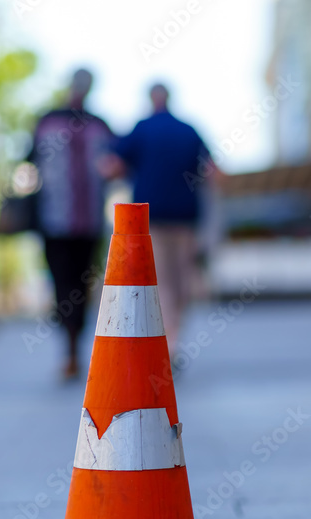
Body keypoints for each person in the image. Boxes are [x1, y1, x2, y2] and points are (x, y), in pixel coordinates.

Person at [105, 83, 220, 350]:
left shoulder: (140, 130)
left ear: (150, 98)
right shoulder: (189, 130)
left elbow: (112, 167)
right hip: (185, 218)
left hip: (150, 218)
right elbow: (212, 171)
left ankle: (168, 341)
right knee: (181, 280)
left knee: (160, 280)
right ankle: (173, 336)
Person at [30, 69, 114, 379]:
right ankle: (71, 347)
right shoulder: (52, 121)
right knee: (69, 284)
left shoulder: (94, 124)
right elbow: (28, 163)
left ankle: (73, 346)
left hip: (81, 222)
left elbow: (114, 164)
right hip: (60, 222)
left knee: (76, 285)